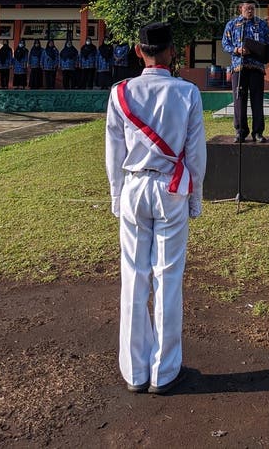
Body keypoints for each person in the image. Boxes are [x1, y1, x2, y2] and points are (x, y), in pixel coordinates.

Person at [105, 22, 206, 394]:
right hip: (172, 188)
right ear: (172, 51)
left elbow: (113, 152)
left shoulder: (120, 93)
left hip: (133, 185)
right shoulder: (188, 93)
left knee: (133, 277)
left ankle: (134, 371)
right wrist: (194, 198)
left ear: (137, 50)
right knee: (168, 277)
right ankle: (164, 371)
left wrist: (117, 196)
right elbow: (195, 153)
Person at [221, 0, 269, 142]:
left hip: (256, 67)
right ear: (241, 9)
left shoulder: (261, 24)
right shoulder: (232, 24)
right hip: (239, 67)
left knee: (257, 101)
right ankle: (240, 131)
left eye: (252, 8)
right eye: (247, 9)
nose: (250, 11)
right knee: (239, 100)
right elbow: (225, 44)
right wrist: (237, 50)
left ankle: (258, 132)